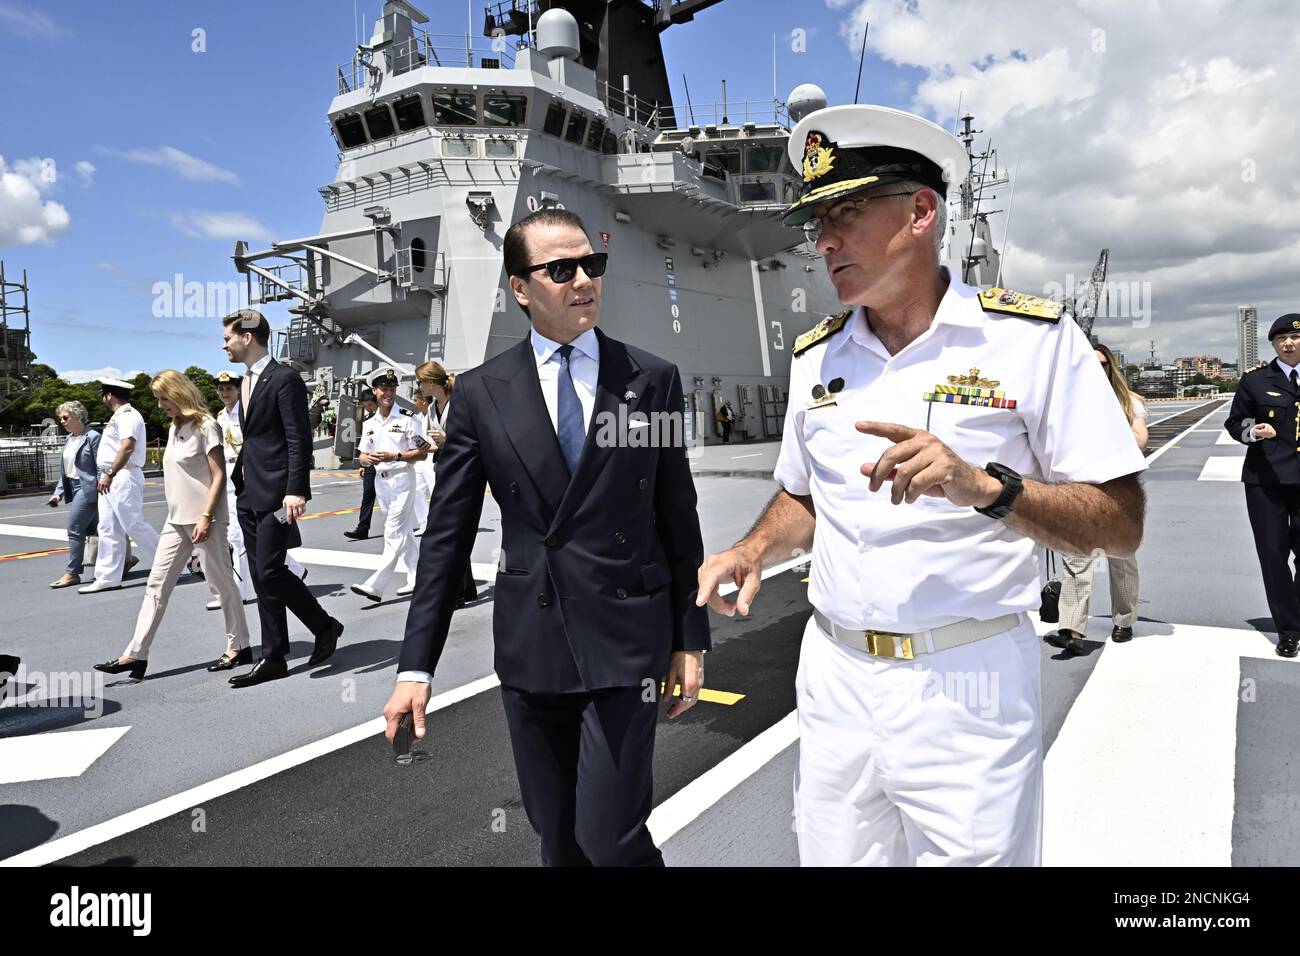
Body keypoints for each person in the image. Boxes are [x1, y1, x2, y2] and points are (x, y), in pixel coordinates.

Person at [696, 104, 1147, 866]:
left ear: (920, 212)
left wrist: (987, 488)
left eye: (843, 213)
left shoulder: (1031, 341)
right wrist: (753, 548)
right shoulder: (817, 357)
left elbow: (1120, 522)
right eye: (816, 223)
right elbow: (806, 498)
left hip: (966, 682)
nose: (824, 242)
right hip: (835, 677)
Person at [383, 209, 710, 867]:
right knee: (557, 839)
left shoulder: (651, 381)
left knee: (610, 839)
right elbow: (444, 540)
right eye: (562, 269)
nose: (585, 280)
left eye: (593, 265)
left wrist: (690, 641)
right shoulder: (480, 394)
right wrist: (416, 667)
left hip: (626, 642)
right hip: (533, 647)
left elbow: (678, 519)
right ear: (521, 287)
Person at [92, 370, 251, 681]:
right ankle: (136, 654)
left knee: (222, 585)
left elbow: (219, 476)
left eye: (164, 397)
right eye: (157, 398)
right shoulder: (173, 428)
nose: (160, 403)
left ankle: (239, 645)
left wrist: (206, 516)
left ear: (179, 394)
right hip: (175, 520)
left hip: (206, 520)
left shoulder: (207, 426)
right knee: (156, 585)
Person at [220, 309, 344, 688]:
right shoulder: (247, 380)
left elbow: (297, 437)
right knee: (260, 575)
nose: (224, 343)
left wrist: (296, 489)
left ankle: (324, 625)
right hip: (249, 490)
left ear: (248, 336)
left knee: (271, 570)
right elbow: (254, 437)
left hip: (276, 492)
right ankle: (274, 655)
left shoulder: (284, 378)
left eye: (228, 337)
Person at [1047, 343, 1148, 655]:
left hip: (1118, 491)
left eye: (1103, 364)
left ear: (1111, 368)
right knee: (1076, 559)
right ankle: (1071, 630)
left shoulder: (1129, 403)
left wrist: (1105, 418)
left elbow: (1139, 442)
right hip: (1080, 489)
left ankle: (1124, 620)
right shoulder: (1068, 403)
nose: (1096, 368)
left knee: (1121, 560)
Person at [1224, 312, 1300, 658]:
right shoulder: (1255, 380)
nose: (1289, 343)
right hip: (1265, 480)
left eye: (1295, 338)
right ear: (1273, 344)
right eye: (1281, 339)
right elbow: (1235, 421)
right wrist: (1252, 432)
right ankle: (1288, 629)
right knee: (1273, 555)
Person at [209, 370, 306, 610]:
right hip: (229, 478)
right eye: (221, 389)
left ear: (238, 389)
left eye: (229, 388)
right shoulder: (220, 417)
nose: (225, 392)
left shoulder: (249, 412)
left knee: (237, 536)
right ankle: (294, 568)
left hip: (250, 477)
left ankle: (237, 591)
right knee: (250, 538)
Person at [349, 366, 427, 602]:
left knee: (392, 531)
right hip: (382, 485)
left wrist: (397, 456)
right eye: (384, 389)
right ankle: (417, 577)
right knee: (404, 533)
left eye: (392, 389)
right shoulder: (370, 423)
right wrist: (367, 460)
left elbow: (422, 454)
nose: (388, 393)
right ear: (375, 391)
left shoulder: (408, 418)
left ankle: (375, 585)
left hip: (402, 478)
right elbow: (362, 455)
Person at [78, 378, 161, 594]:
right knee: (107, 527)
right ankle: (107, 576)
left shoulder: (128, 416)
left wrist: (110, 473)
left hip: (122, 474)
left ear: (109, 395)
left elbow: (127, 447)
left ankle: (166, 564)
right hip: (112, 475)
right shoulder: (119, 417)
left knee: (133, 524)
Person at [414, 360, 477, 605]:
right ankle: (466, 587)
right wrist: (425, 445)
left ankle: (459, 591)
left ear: (430, 382)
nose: (419, 387)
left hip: (461, 472)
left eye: (421, 382)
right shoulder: (433, 407)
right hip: (444, 467)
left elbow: (472, 436)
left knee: (454, 530)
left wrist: (448, 438)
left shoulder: (458, 401)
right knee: (456, 529)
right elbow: (438, 443)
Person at [46, 401, 101, 589]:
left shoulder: (93, 437)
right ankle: (125, 560)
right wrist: (57, 494)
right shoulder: (69, 439)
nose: (62, 421)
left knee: (74, 528)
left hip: (88, 489)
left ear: (78, 416)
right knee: (96, 531)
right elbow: (67, 471)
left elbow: (100, 466)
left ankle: (73, 573)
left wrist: (102, 489)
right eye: (60, 418)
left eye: (65, 417)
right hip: (74, 487)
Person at [343, 394, 379, 540]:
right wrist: (362, 464)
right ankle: (362, 529)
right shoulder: (367, 420)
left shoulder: (388, 417)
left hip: (389, 463)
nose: (367, 408)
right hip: (370, 463)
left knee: (391, 498)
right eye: (365, 406)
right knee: (367, 496)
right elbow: (365, 444)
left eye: (370, 405)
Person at [409, 392, 435, 535]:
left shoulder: (436, 414)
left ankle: (441, 524)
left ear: (424, 401)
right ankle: (424, 523)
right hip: (420, 458)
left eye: (415, 400)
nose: (413, 403)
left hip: (433, 458)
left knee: (436, 491)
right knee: (416, 490)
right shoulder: (416, 418)